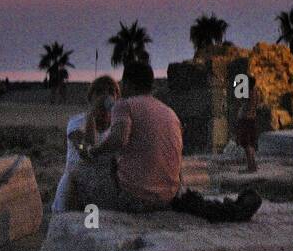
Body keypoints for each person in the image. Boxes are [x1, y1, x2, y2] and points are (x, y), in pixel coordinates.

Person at [83, 61, 260, 221]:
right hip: (170, 197)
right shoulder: (169, 112)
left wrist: (93, 150)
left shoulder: (124, 105)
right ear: (151, 84)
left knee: (93, 169)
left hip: (136, 199)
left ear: (127, 83)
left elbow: (118, 140)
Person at [51, 75, 119, 213]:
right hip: (76, 186)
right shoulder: (76, 123)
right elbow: (84, 148)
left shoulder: (119, 127)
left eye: (111, 92)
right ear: (90, 98)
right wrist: (91, 119)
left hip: (103, 188)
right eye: (99, 92)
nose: (105, 96)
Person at [235, 73, 262, 175]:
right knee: (250, 143)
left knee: (246, 144)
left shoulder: (249, 92)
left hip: (246, 120)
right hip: (252, 119)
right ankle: (253, 165)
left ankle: (250, 166)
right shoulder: (256, 92)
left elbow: (239, 100)